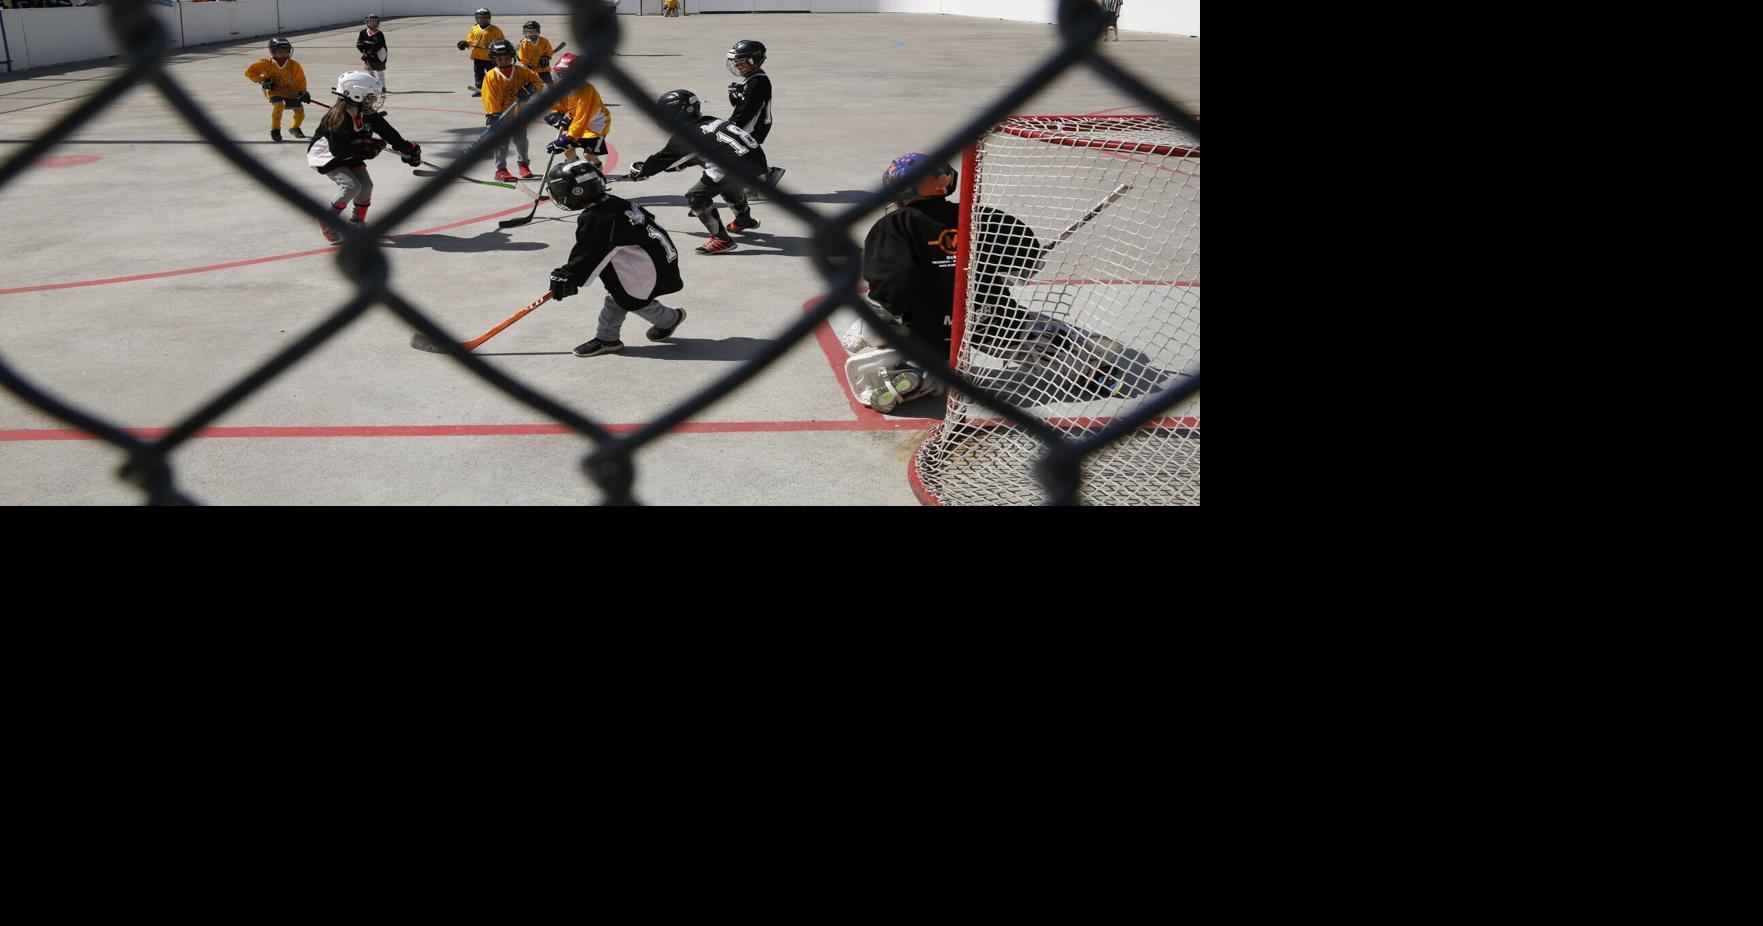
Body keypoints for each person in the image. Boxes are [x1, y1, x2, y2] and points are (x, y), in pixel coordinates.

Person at [544, 161, 688, 358]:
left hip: (645, 267)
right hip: (657, 258)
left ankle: (669, 319)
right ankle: (609, 338)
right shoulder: (613, 202)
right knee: (618, 297)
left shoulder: (597, 216)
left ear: (576, 191)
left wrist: (567, 275)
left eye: (560, 189)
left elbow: (589, 252)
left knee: (629, 299)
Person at [623, 89, 767, 255]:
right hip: (755, 163)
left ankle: (722, 240)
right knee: (725, 183)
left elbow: (661, 160)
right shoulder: (709, 121)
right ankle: (744, 220)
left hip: (733, 166)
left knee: (696, 196)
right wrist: (685, 163)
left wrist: (642, 172)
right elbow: (710, 150)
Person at [305, 71, 421, 245]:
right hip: (327, 155)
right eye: (370, 97)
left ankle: (356, 222)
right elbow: (339, 152)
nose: (374, 100)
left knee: (366, 185)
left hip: (350, 150)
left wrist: (406, 148)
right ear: (355, 95)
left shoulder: (366, 112)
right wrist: (368, 149)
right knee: (351, 186)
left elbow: (387, 131)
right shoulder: (339, 118)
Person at [479, 39, 543, 182]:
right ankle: (500, 170)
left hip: (518, 115)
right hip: (501, 117)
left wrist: (531, 89)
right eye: (500, 58)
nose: (504, 60)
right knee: (501, 145)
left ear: (512, 56)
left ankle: (524, 165)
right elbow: (488, 96)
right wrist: (494, 114)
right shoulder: (491, 76)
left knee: (522, 142)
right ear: (494, 59)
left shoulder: (521, 71)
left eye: (507, 57)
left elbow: (538, 82)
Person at [726, 40, 785, 188]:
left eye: (742, 62)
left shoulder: (758, 82)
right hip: (752, 123)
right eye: (736, 62)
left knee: (732, 154)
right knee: (741, 156)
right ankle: (766, 176)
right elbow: (748, 104)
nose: (738, 66)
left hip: (752, 126)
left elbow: (747, 111)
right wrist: (738, 96)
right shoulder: (754, 78)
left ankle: (765, 176)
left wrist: (730, 126)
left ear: (755, 60)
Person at [541, 53, 612, 169]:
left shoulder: (586, 92)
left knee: (588, 155)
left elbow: (582, 120)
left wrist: (566, 139)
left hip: (596, 126)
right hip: (576, 123)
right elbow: (558, 107)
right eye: (560, 75)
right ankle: (577, 170)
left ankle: (598, 176)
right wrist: (556, 117)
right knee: (568, 151)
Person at [244, 38, 309, 143]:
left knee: (300, 111)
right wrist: (263, 81)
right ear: (273, 51)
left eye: (286, 51)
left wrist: (303, 92)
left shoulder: (294, 65)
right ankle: (275, 130)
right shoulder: (265, 63)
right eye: (280, 52)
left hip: (289, 90)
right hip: (273, 90)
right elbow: (250, 72)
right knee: (279, 105)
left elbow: (300, 79)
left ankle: (294, 128)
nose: (283, 54)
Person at [455, 8, 505, 97]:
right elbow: (470, 40)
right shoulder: (474, 28)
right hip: (477, 56)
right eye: (479, 17)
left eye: (484, 17)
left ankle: (496, 88)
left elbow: (501, 40)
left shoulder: (495, 29)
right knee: (478, 73)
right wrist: (465, 43)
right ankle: (480, 89)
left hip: (491, 57)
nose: (481, 19)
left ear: (488, 18)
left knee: (493, 73)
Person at [516, 20, 556, 86]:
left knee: (549, 82)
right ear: (525, 32)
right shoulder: (524, 43)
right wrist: (527, 64)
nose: (531, 33)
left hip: (542, 68)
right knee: (528, 84)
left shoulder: (544, 41)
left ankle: (555, 94)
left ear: (537, 31)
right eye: (529, 31)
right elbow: (522, 56)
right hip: (530, 68)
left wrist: (546, 57)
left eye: (533, 31)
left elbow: (549, 51)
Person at [357, 14, 389, 93]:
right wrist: (364, 53)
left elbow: (378, 45)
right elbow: (359, 44)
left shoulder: (379, 34)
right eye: (370, 21)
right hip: (368, 55)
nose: (372, 23)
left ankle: (382, 87)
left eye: (374, 21)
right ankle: (374, 86)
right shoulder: (363, 32)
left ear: (377, 22)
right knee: (370, 71)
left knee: (380, 72)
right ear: (367, 22)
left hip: (378, 55)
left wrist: (370, 53)